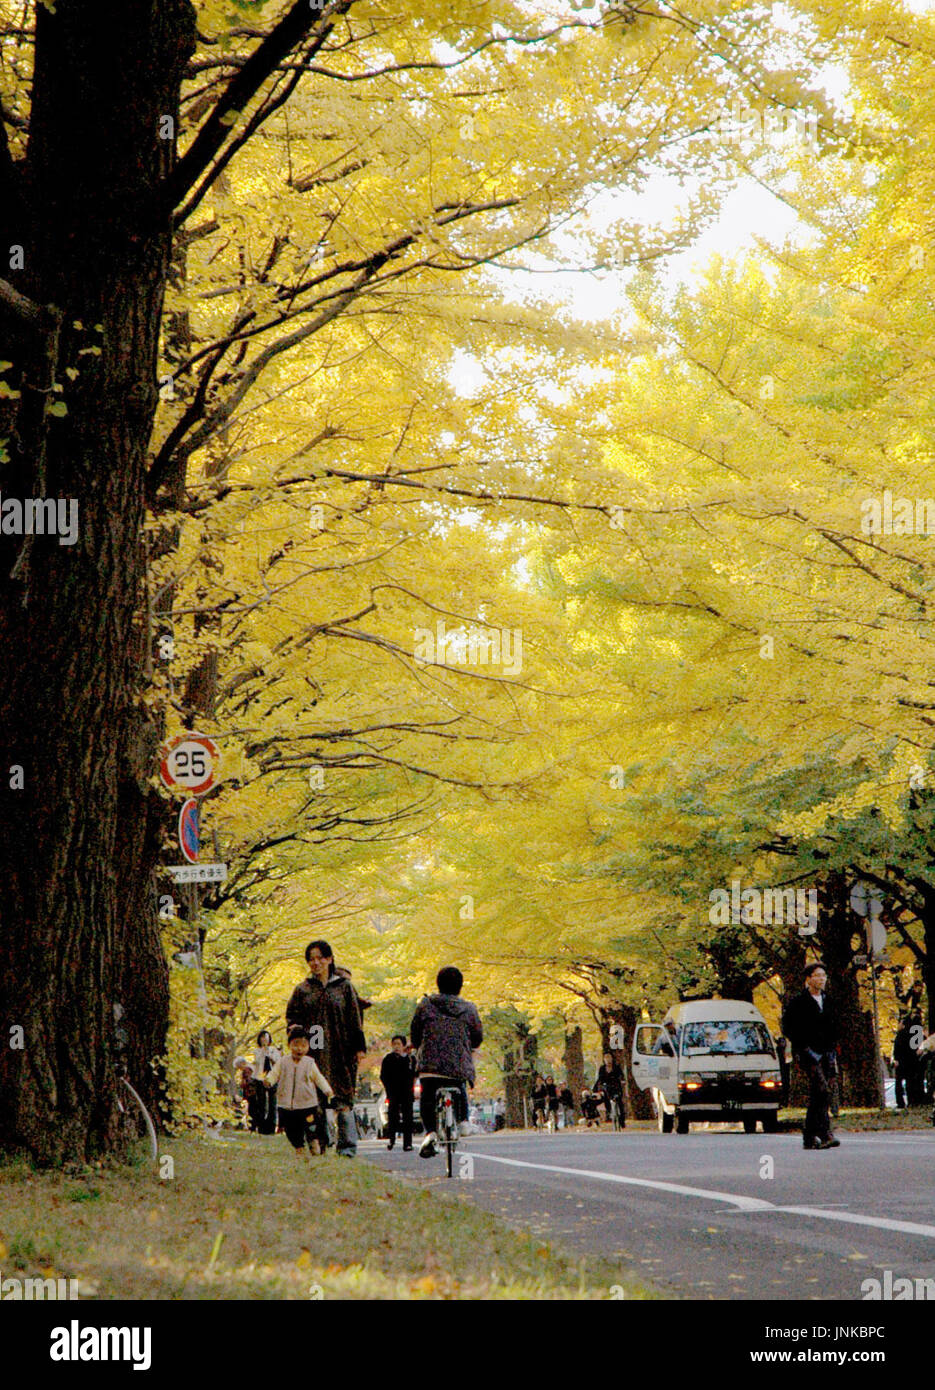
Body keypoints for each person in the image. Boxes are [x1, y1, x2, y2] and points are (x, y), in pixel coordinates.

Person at [286, 939, 367, 1157]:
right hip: (314, 1049)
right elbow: (291, 1018)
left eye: (320, 958)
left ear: (329, 959)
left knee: (344, 1099)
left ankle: (347, 1148)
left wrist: (360, 1048)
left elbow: (355, 1019)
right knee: (315, 1099)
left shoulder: (344, 987)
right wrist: (296, 1037)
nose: (316, 963)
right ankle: (320, 1144)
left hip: (342, 1049)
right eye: (311, 959)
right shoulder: (302, 990)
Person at [410, 965, 483, 1158]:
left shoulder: (425, 1005)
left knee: (428, 1095)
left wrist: (418, 1046)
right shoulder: (469, 1008)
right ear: (460, 986)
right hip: (458, 1064)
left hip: (430, 1064)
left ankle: (430, 1132)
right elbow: (477, 1037)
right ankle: (463, 1121)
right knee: (459, 1085)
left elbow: (415, 1034)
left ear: (438, 984)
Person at [782, 961, 841, 1150]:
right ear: (808, 979)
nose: (821, 979)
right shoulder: (798, 1002)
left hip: (827, 1053)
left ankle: (808, 1135)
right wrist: (803, 1046)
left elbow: (836, 1026)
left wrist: (833, 1049)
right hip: (808, 1053)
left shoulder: (829, 1001)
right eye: (817, 975)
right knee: (822, 1090)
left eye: (824, 975)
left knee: (819, 1095)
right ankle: (825, 1133)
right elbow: (789, 1027)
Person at [263, 1023, 333, 1160]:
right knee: (291, 1130)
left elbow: (319, 1078)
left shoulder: (309, 1063)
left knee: (311, 1126)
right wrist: (268, 1081)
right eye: (296, 1045)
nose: (299, 1049)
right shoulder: (283, 1062)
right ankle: (299, 1148)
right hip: (286, 1104)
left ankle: (313, 1142)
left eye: (303, 1045)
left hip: (307, 1104)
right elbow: (274, 1073)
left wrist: (328, 1090)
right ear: (289, 1045)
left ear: (308, 1047)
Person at [380, 1034, 415, 1151]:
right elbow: (383, 1076)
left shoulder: (410, 1059)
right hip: (393, 1092)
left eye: (399, 1044)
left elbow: (415, 1074)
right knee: (393, 1116)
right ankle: (391, 1140)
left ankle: (408, 1143)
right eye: (394, 1044)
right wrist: (388, 1089)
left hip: (407, 1092)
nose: (396, 1047)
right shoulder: (388, 1059)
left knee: (408, 1118)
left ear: (404, 1045)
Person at [252, 1029, 281, 1134]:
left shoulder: (274, 1050)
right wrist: (263, 1052)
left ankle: (271, 1127)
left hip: (272, 1078)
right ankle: (261, 1127)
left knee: (273, 1103)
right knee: (261, 1103)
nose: (264, 1040)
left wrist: (269, 1053)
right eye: (263, 1038)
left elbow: (277, 1062)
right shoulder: (257, 1051)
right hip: (260, 1078)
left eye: (266, 1037)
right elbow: (257, 1062)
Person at [892, 1015, 923, 1108]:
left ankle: (900, 1102)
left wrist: (896, 1059)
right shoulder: (915, 1034)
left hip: (901, 1062)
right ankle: (912, 1101)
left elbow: (896, 1048)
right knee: (910, 1082)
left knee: (899, 1082)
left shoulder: (901, 1034)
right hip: (912, 1062)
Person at [594, 1051, 626, 1127]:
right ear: (604, 1059)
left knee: (620, 1102)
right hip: (607, 1086)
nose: (608, 1060)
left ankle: (622, 1120)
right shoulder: (602, 1068)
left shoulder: (616, 1067)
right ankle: (609, 1112)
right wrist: (597, 1087)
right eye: (606, 1058)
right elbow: (600, 1079)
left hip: (616, 1086)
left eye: (609, 1057)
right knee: (605, 1096)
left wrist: (622, 1080)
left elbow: (621, 1075)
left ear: (612, 1058)